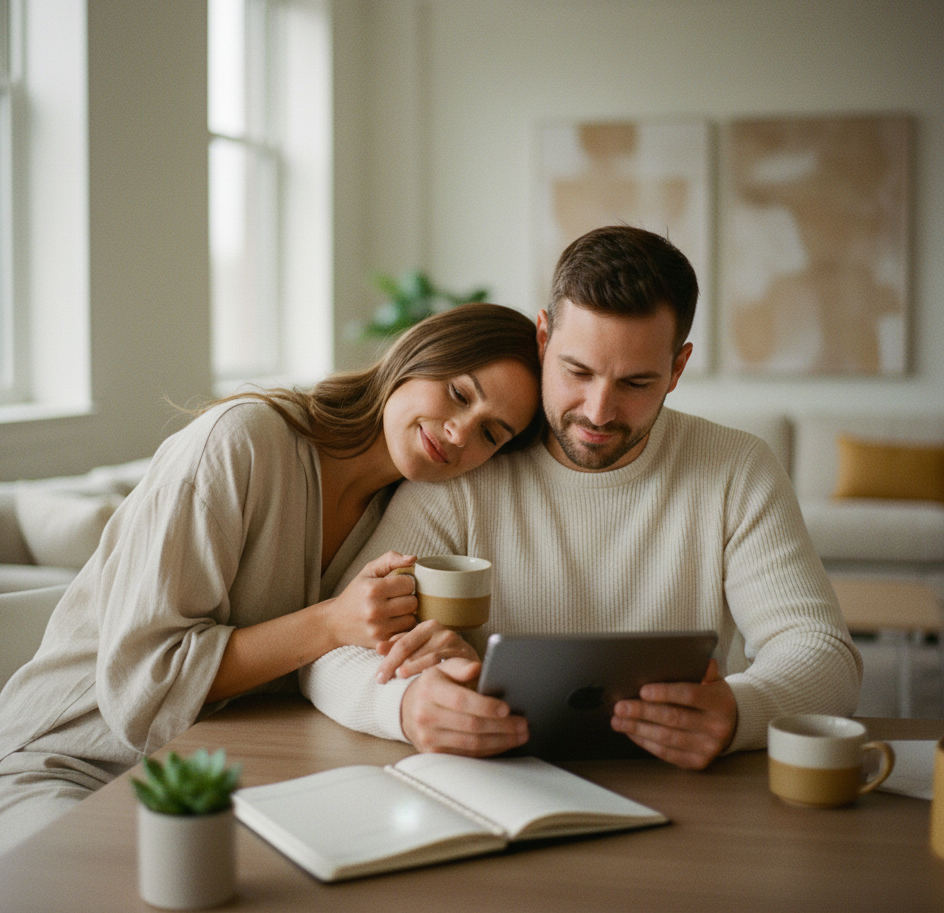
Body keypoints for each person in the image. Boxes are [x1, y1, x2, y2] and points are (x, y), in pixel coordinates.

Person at [0, 303, 542, 882]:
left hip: (221, 782)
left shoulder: (397, 515)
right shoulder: (245, 441)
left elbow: (342, 673)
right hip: (73, 769)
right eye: (460, 394)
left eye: (491, 433)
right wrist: (330, 623)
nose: (461, 431)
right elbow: (140, 690)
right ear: (416, 356)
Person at [300, 226, 862, 769]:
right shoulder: (470, 463)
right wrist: (404, 705)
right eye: (577, 371)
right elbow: (329, 650)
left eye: (635, 383)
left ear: (677, 369)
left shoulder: (736, 469)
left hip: (682, 793)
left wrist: (741, 711)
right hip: (491, 785)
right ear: (543, 339)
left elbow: (823, 654)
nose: (598, 411)